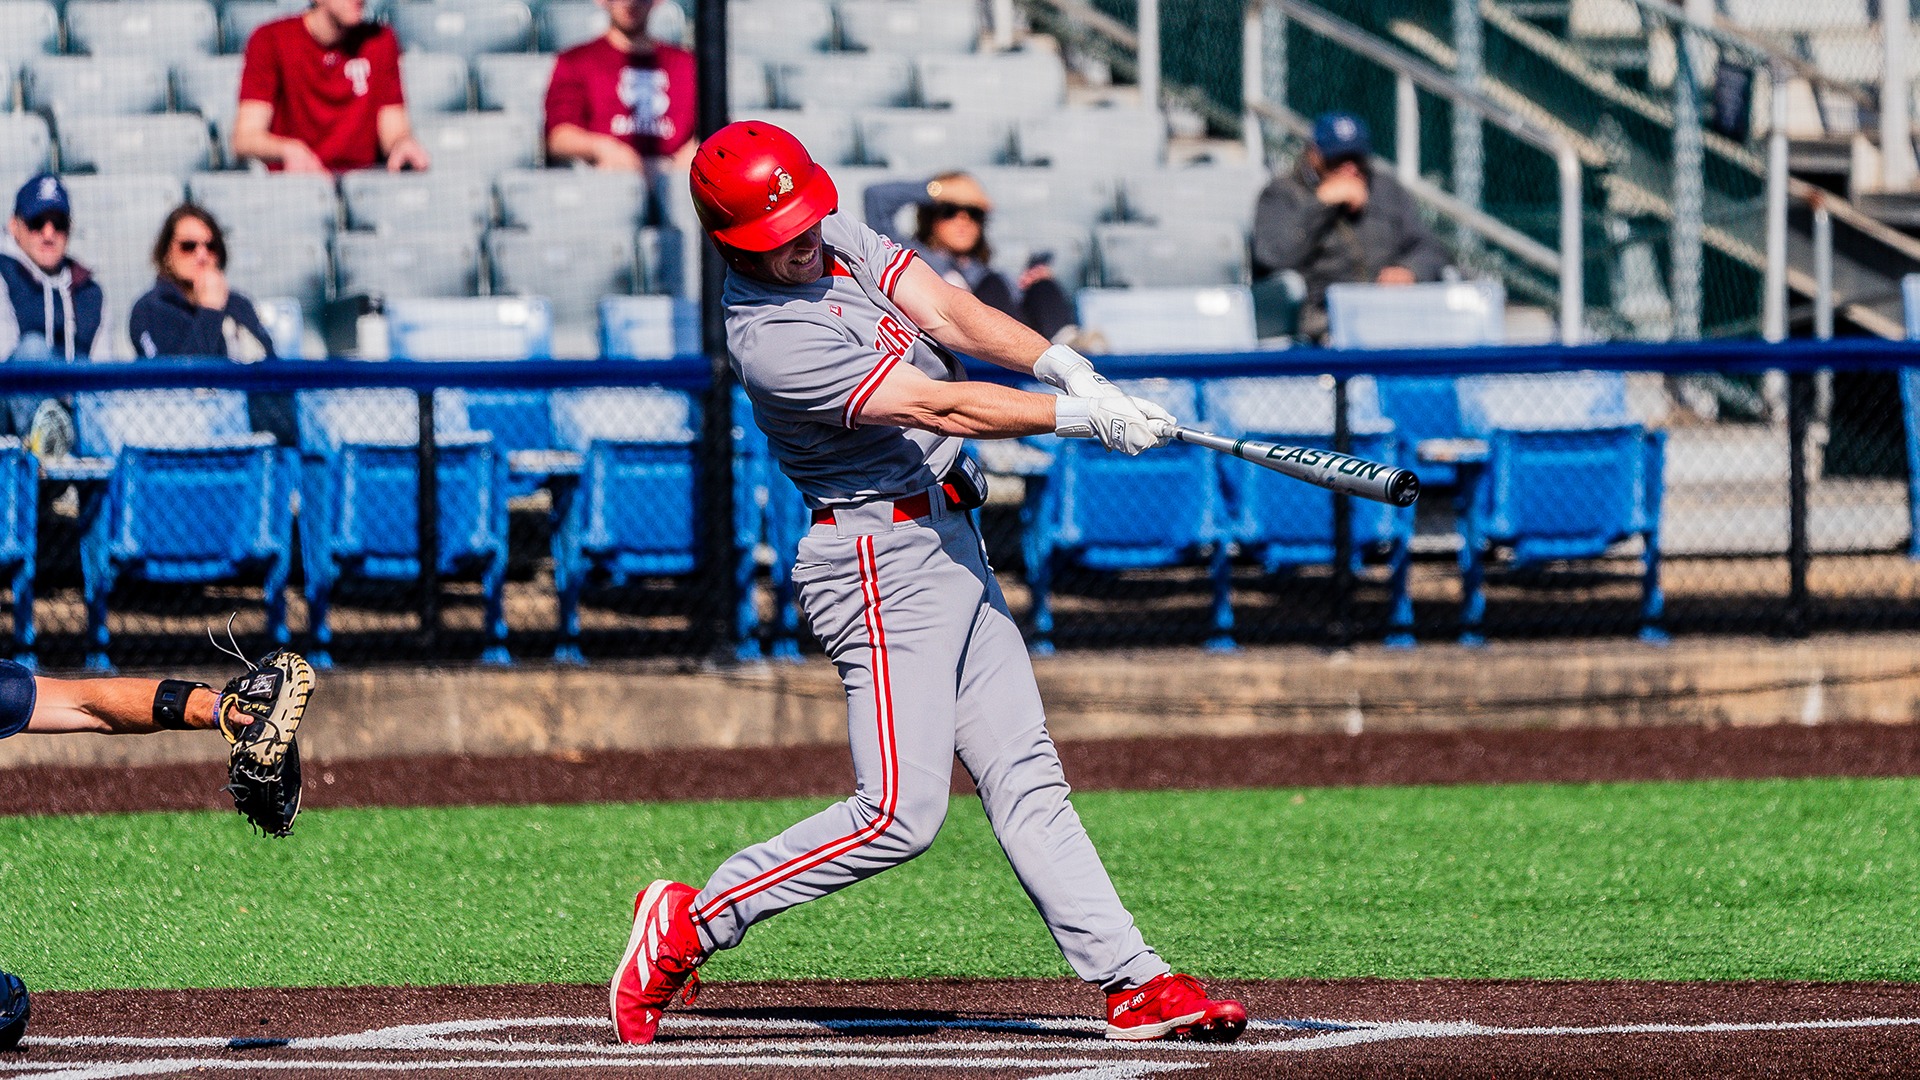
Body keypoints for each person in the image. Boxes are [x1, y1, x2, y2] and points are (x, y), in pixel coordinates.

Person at [607, 120, 1247, 1047]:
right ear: (733, 239)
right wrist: (1078, 419)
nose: (800, 243)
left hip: (953, 541)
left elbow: (945, 311)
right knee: (897, 818)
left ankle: (1131, 979)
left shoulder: (831, 240)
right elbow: (939, 399)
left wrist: (1064, 365)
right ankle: (692, 922)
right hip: (877, 563)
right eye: (776, 235)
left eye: (804, 221)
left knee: (1027, 776)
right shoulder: (770, 336)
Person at [1251, 111, 1451, 341]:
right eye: (1337, 159)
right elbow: (1273, 257)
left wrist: (1410, 269)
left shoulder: (1385, 189)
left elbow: (1430, 247)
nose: (1349, 168)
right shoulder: (1281, 194)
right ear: (1314, 156)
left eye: (1356, 158)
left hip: (1392, 312)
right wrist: (1321, 204)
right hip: (1322, 322)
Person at [128, 206, 295, 446]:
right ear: (166, 253)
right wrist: (210, 313)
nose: (202, 255)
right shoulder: (149, 310)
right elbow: (173, 386)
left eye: (211, 246)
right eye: (188, 246)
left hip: (256, 439)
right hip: (184, 445)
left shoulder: (239, 305)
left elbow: (271, 369)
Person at [862, 171, 1079, 343]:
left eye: (973, 213)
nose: (963, 219)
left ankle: (1070, 346)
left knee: (1040, 285)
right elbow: (875, 198)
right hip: (961, 344)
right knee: (990, 286)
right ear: (931, 217)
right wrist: (938, 190)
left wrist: (1032, 284)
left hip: (1016, 334)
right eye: (949, 210)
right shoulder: (908, 254)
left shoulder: (988, 272)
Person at [232, 0, 430, 173]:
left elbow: (393, 129)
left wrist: (402, 144)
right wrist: (288, 149)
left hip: (359, 182)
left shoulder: (381, 40)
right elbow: (245, 138)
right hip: (297, 186)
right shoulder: (270, 39)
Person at [1, 175, 104, 441]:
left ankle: (100, 474)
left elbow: (105, 369)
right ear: (15, 226)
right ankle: (46, 454)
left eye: (58, 225)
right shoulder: (4, 274)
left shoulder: (90, 290)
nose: (49, 234)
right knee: (31, 350)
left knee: (88, 369)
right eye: (37, 223)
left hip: (74, 410)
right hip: (10, 417)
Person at [543, 0, 697, 172]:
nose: (630, 2)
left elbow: (714, 127)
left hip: (678, 181)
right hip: (608, 182)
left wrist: (698, 151)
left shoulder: (687, 64)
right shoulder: (575, 61)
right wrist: (601, 148)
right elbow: (558, 137)